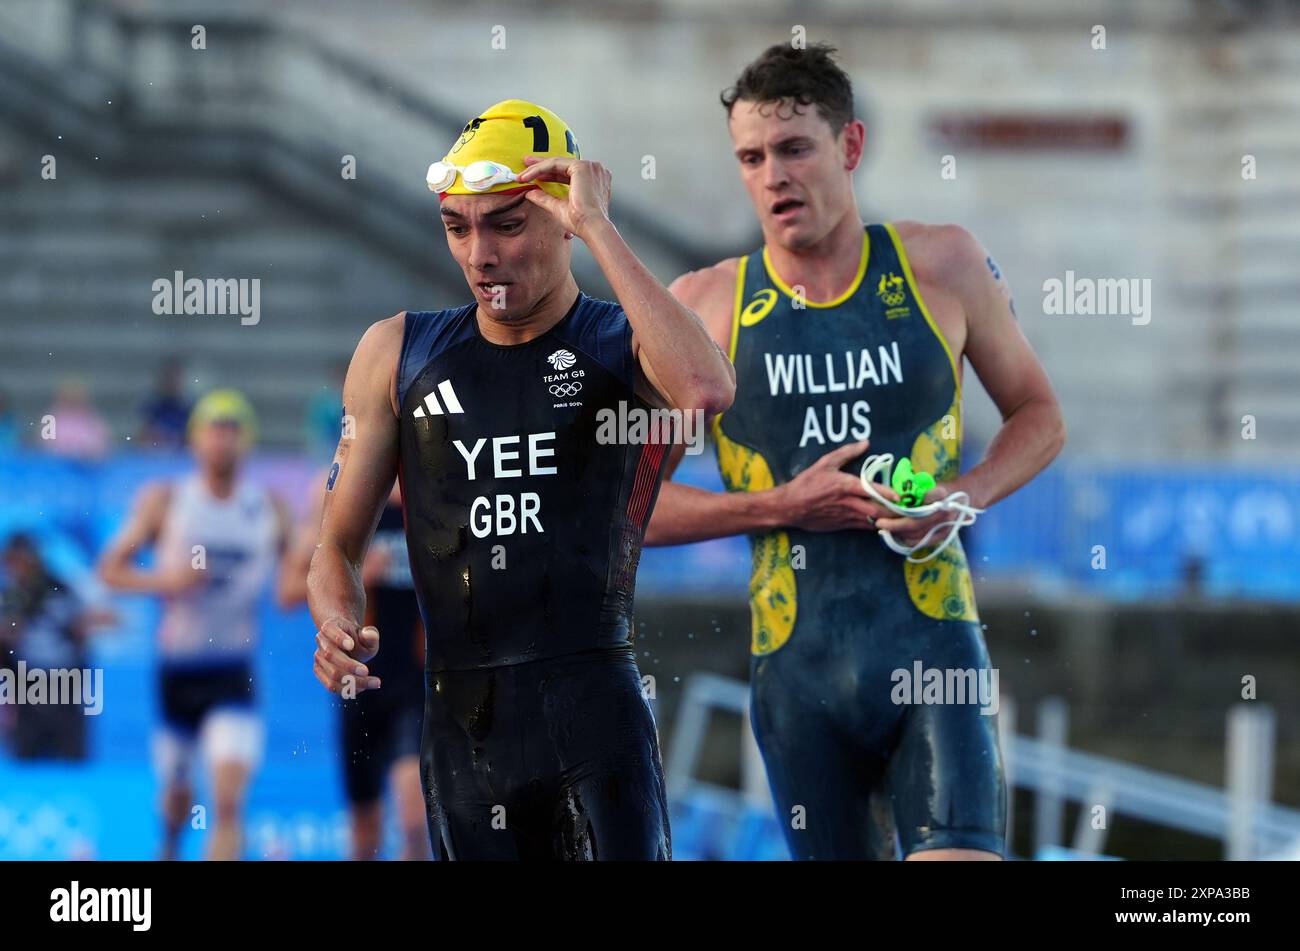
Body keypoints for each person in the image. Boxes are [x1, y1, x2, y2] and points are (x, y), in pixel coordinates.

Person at [645, 44, 1066, 860]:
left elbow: (1041, 416)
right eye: (751, 157)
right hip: (798, 681)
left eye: (795, 148)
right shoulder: (704, 307)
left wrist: (962, 495)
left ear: (851, 147)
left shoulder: (941, 265)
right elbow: (627, 505)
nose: (773, 176)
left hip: (937, 655)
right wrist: (777, 507)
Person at [307, 99, 733, 860]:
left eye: (507, 224)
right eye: (459, 227)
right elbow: (334, 547)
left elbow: (704, 389)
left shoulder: (618, 341)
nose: (481, 255)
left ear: (562, 217)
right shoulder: (396, 353)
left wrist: (600, 225)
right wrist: (336, 622)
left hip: (597, 715)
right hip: (463, 734)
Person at [98, 390, 291, 860]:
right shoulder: (165, 500)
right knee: (177, 799)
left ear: (246, 442)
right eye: (213, 431)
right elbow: (110, 570)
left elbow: (300, 581)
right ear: (195, 440)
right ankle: (168, 847)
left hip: (232, 671)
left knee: (227, 802)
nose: (223, 443)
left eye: (232, 432)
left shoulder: (271, 507)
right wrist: (169, 580)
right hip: (178, 671)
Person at [279, 477, 428, 860]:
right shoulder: (340, 495)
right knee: (365, 831)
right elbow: (289, 589)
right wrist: (357, 578)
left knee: (414, 819)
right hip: (357, 686)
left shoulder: (433, 484)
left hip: (417, 684)